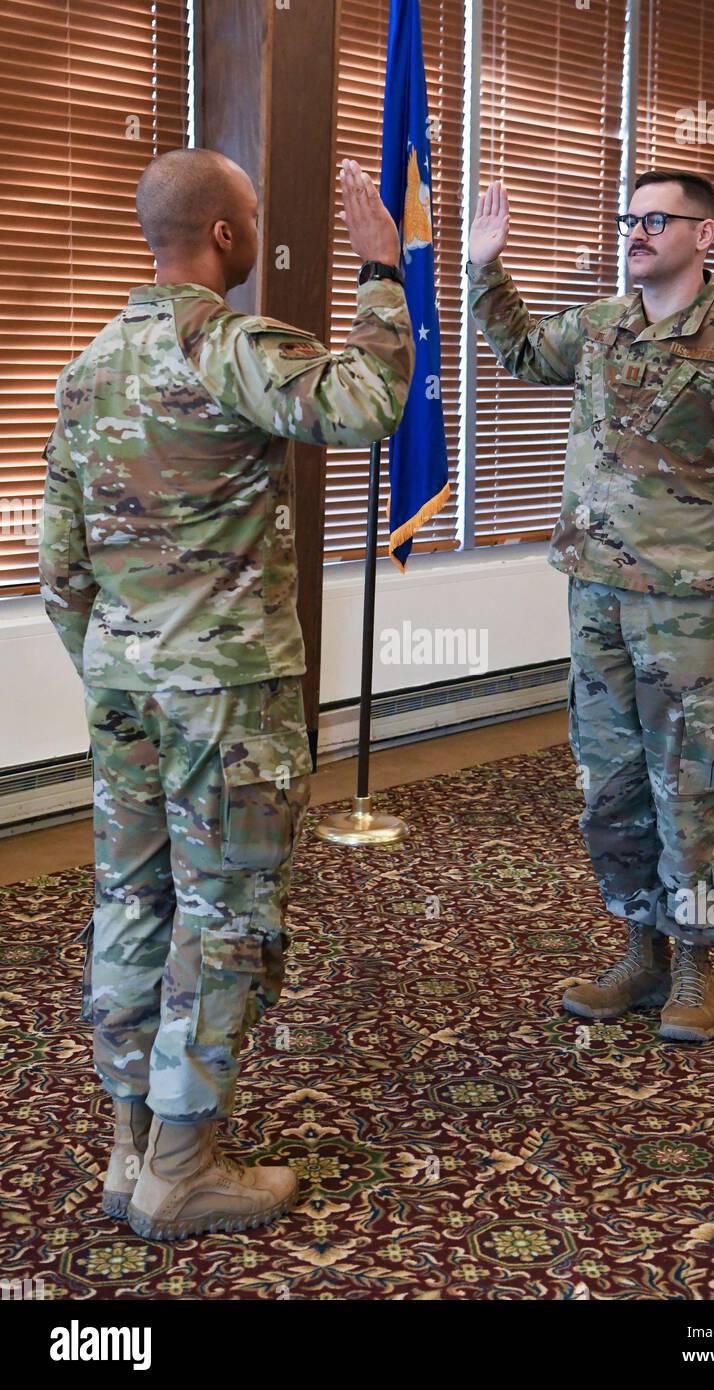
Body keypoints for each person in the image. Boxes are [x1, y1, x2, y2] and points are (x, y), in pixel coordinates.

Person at [38, 148, 413, 1239]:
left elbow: (59, 566)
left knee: (133, 902)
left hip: (126, 690)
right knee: (227, 915)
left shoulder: (90, 365)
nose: (255, 232)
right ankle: (185, 1165)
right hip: (226, 701)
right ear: (226, 238)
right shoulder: (228, 346)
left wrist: (120, 660)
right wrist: (381, 273)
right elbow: (369, 403)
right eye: (251, 216)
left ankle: (130, 1148)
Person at [466, 170, 714, 1044]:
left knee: (688, 787)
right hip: (595, 596)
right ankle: (638, 950)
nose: (636, 231)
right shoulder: (598, 326)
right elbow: (515, 352)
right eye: (630, 218)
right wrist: (484, 267)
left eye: (656, 219)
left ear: (703, 235)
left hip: (688, 606)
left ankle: (694, 957)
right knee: (610, 785)